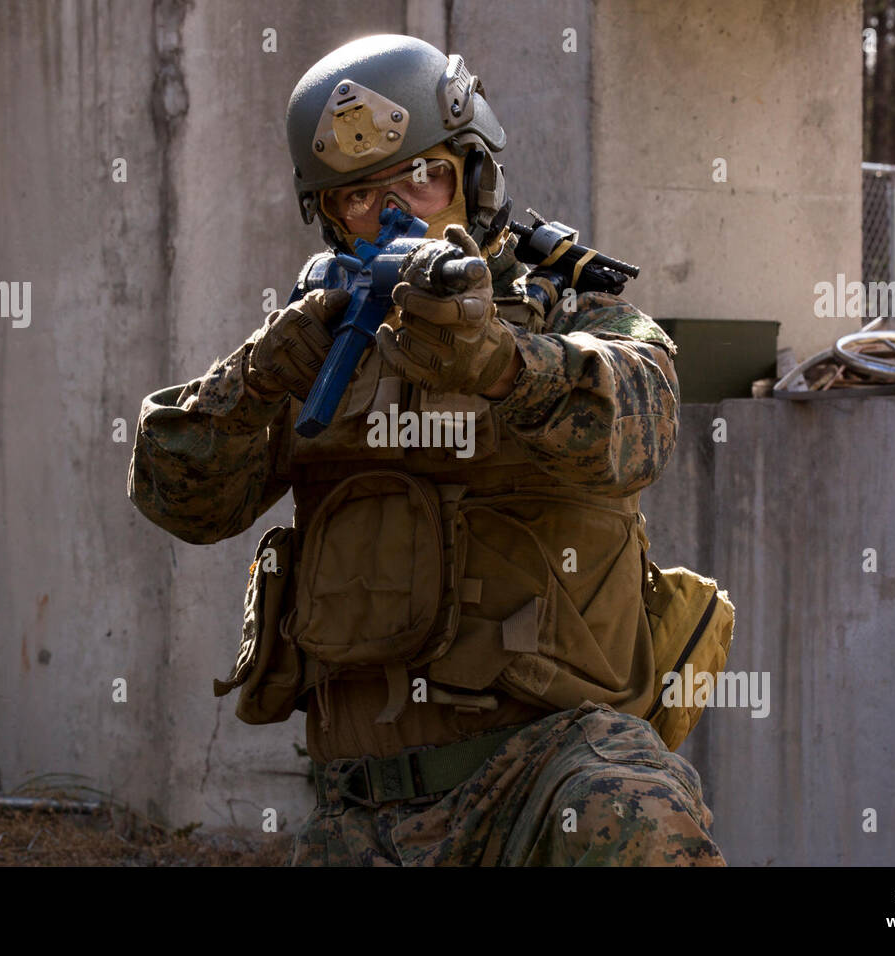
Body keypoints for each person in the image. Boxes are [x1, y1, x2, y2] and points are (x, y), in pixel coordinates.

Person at [128, 34, 725, 866]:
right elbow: (176, 500)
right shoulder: (316, 343)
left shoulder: (571, 318)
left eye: (422, 176)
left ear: (475, 178)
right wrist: (256, 379)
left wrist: (502, 365)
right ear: (330, 215)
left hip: (548, 774)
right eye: (361, 195)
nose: (398, 210)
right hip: (360, 808)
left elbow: (646, 422)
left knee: (632, 822)